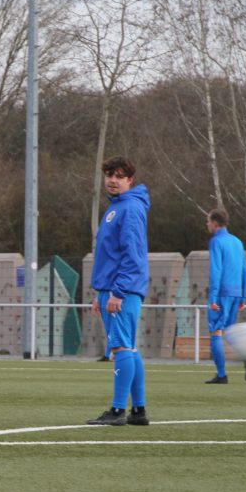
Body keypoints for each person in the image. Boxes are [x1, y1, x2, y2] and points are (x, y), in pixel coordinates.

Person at [86, 157, 151, 426]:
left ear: (130, 180)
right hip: (112, 288)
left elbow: (132, 255)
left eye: (119, 176)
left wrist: (118, 292)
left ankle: (117, 411)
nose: (113, 180)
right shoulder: (117, 207)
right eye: (109, 175)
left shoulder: (130, 208)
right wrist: (101, 292)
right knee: (129, 348)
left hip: (122, 290)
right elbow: (110, 255)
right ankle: (139, 411)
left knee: (121, 347)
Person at [204, 208, 246, 384]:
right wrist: (242, 296)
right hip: (236, 291)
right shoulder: (237, 241)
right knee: (230, 331)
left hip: (222, 292)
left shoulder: (216, 241)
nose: (207, 224)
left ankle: (222, 375)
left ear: (215, 223)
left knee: (216, 331)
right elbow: (244, 270)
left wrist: (213, 297)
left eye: (208, 221)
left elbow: (216, 270)